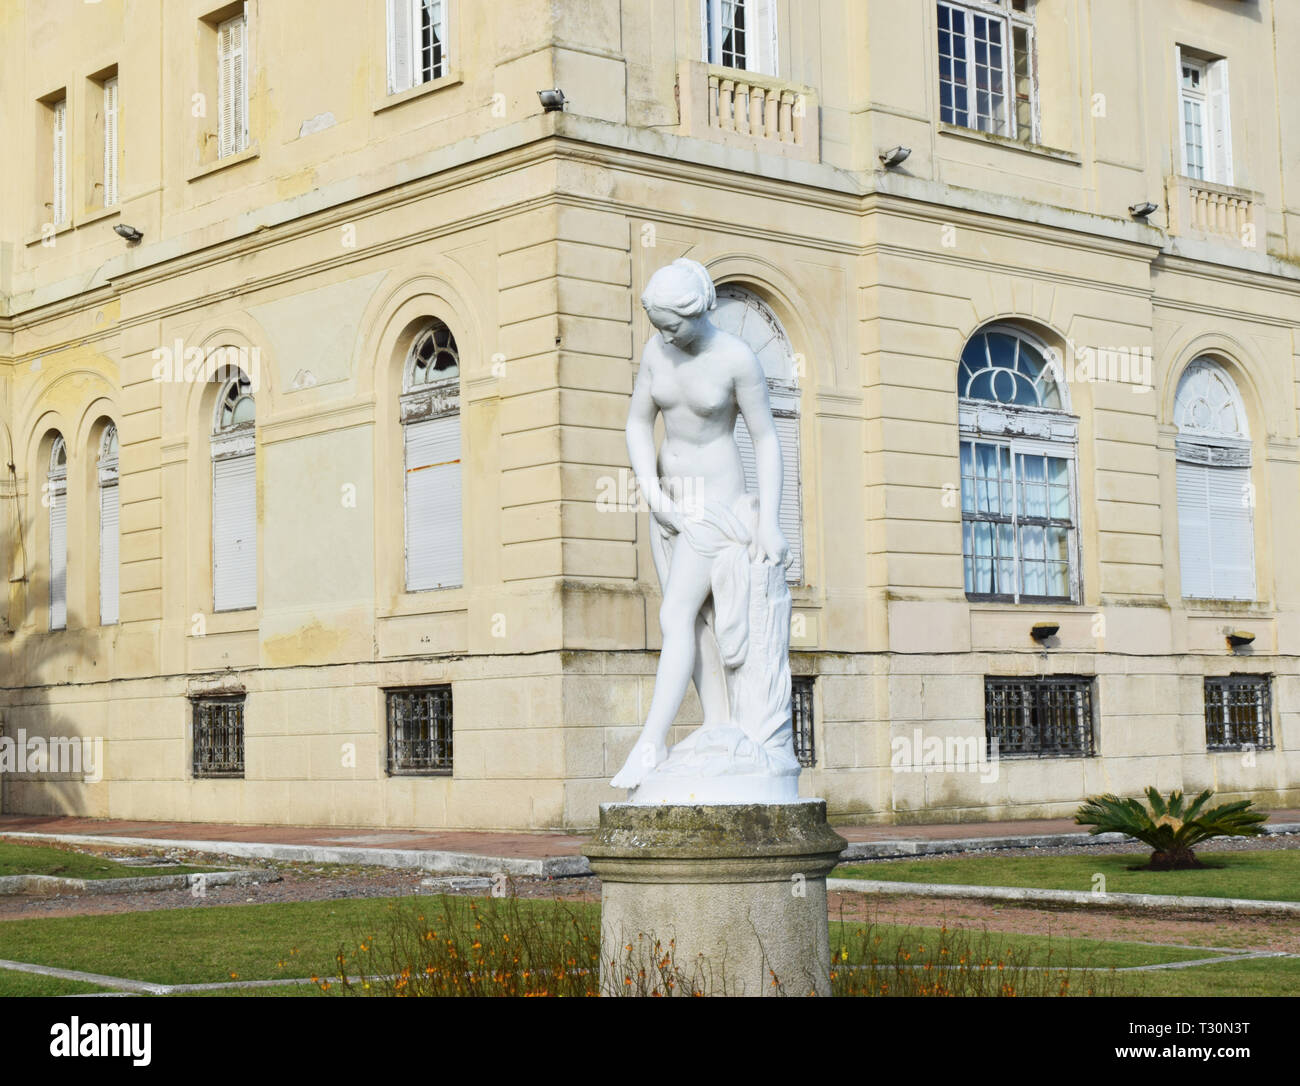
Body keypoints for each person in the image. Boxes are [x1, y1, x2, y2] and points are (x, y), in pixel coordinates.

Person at [611, 259, 789, 790]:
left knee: (676, 615)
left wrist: (771, 522)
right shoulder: (656, 353)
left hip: (716, 504)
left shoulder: (736, 360)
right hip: (670, 508)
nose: (664, 335)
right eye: (658, 325)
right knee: (695, 625)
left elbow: (767, 439)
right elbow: (639, 423)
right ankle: (718, 722)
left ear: (700, 311)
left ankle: (649, 743)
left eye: (672, 325)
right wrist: (652, 492)